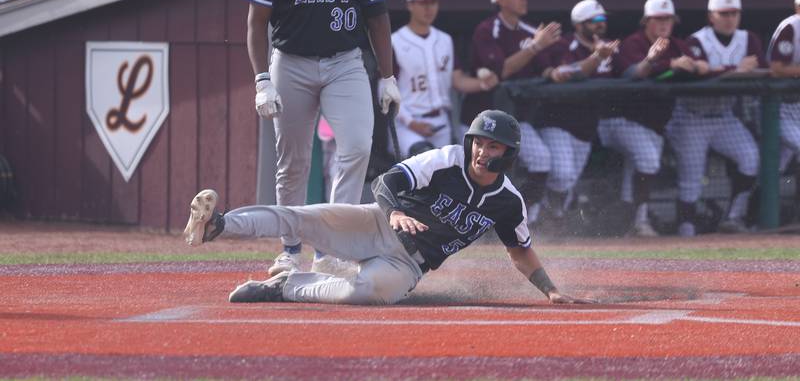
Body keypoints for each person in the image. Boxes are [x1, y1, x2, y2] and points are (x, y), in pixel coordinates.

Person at [182, 110, 590, 305]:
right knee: (299, 217)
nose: (483, 151)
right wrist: (394, 212)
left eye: (493, 146)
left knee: (370, 292)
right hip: (376, 223)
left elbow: (519, 249)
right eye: (479, 142)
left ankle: (284, 286)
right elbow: (387, 181)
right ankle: (219, 224)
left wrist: (550, 290)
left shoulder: (508, 202)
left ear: (509, 154)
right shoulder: (446, 159)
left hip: (409, 265)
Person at [242, 0, 401, 276]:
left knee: (357, 148)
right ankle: (291, 249)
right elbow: (255, 22)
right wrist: (262, 79)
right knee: (292, 161)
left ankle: (331, 249)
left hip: (345, 62)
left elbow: (378, 19)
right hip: (290, 62)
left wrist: (387, 76)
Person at [597, 0, 706, 236]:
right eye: (658, 19)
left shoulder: (676, 44)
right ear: (646, 21)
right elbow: (632, 75)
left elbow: (703, 66)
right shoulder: (632, 43)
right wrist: (656, 61)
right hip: (620, 120)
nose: (664, 24)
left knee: (635, 172)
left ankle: (629, 224)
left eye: (668, 19)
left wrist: (693, 66)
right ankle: (638, 222)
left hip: (654, 123)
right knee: (647, 161)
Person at [460, 0, 562, 218]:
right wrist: (535, 46)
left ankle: (520, 216)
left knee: (541, 160)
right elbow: (500, 71)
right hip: (482, 120)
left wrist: (557, 72)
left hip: (517, 118)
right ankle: (471, 220)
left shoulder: (529, 31)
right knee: (474, 173)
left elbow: (545, 68)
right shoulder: (487, 30)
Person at [667, 0, 764, 235]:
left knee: (751, 158)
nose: (729, 18)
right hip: (691, 117)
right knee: (691, 178)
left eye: (734, 13)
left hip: (725, 118)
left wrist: (722, 70)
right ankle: (685, 230)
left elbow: (764, 70)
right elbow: (698, 74)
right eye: (723, 13)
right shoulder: (696, 41)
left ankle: (733, 216)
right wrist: (736, 70)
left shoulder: (748, 38)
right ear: (712, 16)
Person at [532, 0, 619, 225]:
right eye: (595, 20)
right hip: (557, 122)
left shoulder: (610, 46)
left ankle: (550, 214)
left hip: (587, 126)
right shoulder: (564, 45)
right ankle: (548, 215)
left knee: (567, 179)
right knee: (561, 174)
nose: (601, 24)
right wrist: (597, 57)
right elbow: (569, 73)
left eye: (603, 19)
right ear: (579, 24)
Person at [391, 0, 499, 158]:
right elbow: (383, 90)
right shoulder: (395, 41)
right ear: (410, 5)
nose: (428, 8)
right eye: (423, 2)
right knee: (421, 160)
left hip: (440, 122)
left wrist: (483, 84)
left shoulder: (444, 40)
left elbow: (457, 80)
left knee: (442, 176)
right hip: (407, 122)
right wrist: (410, 122)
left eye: (433, 2)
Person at [767, 0, 800, 174]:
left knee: (778, 164)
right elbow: (776, 68)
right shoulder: (791, 28)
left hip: (797, 105)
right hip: (777, 106)